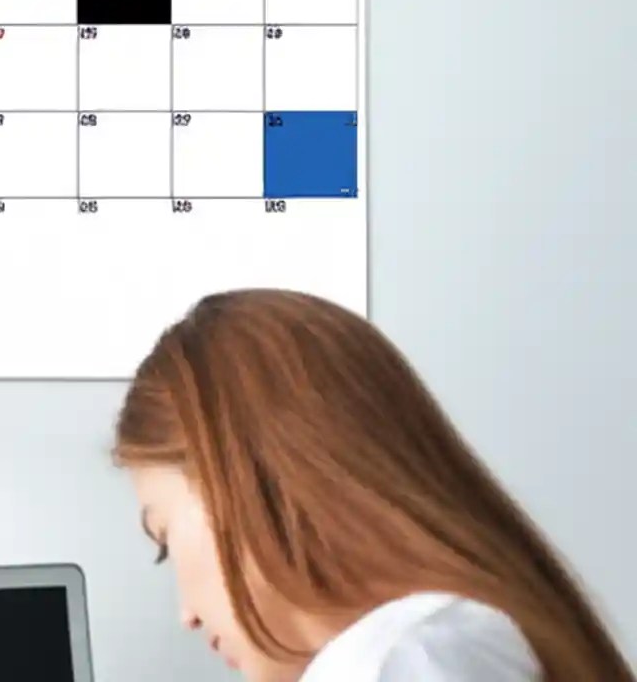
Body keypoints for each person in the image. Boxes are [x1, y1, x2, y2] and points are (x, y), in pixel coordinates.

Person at [112, 288, 634, 681]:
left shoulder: (406, 656)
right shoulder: (439, 642)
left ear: (246, 482)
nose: (187, 616)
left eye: (163, 541)